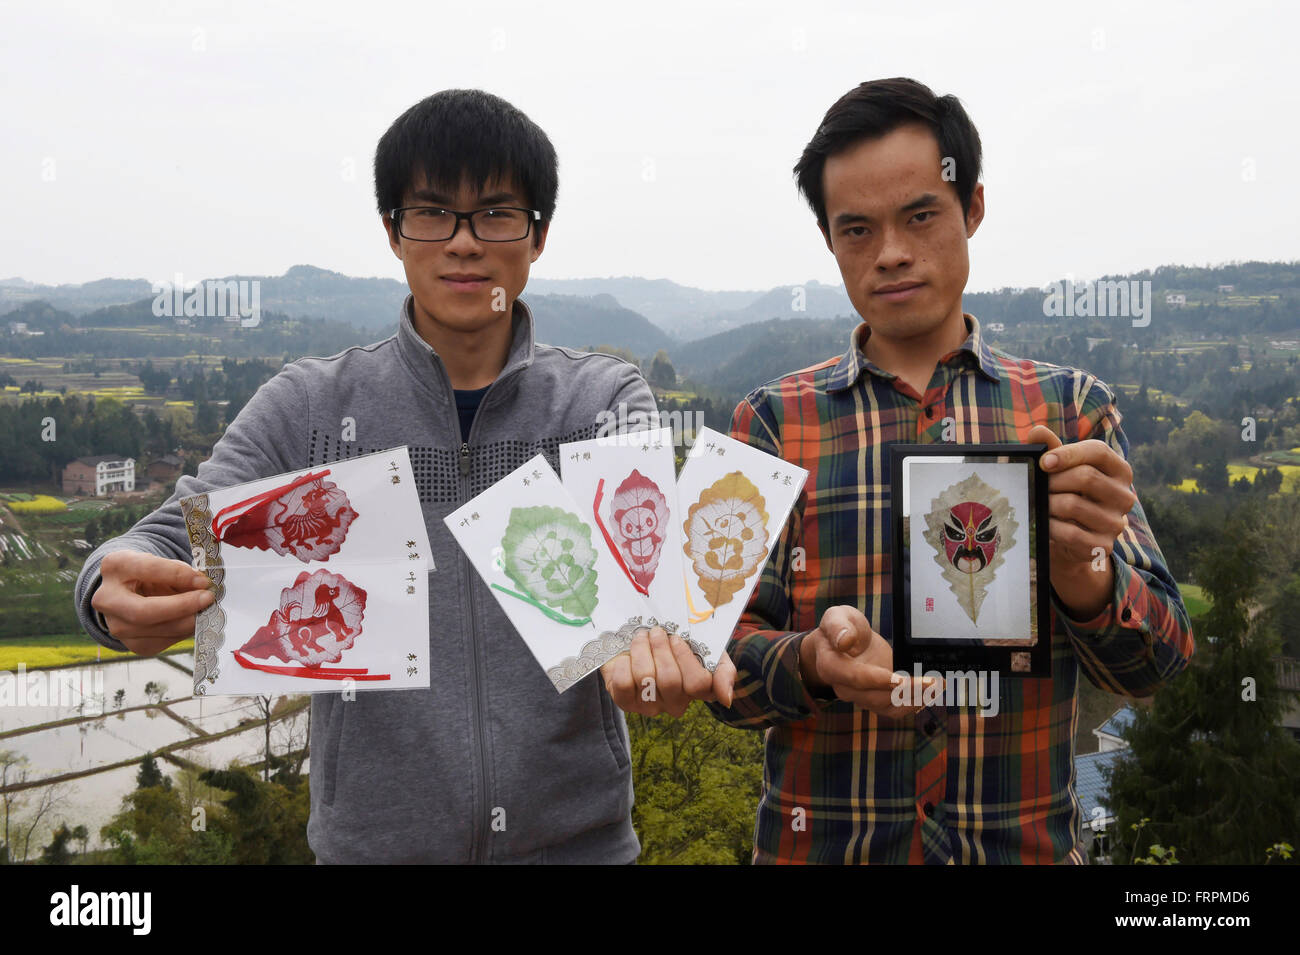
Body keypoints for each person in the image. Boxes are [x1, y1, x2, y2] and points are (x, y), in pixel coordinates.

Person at [75, 89, 730, 864]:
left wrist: (664, 648)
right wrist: (104, 586)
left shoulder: (601, 401)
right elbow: (167, 535)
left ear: (539, 234)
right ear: (392, 230)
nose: (464, 243)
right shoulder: (310, 408)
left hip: (580, 847)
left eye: (496, 214)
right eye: (432, 213)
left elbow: (654, 592)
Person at [705, 77, 1194, 864]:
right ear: (829, 239)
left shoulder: (1073, 411)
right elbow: (714, 658)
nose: (891, 252)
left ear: (972, 208)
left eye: (921, 215)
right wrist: (813, 663)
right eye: (856, 228)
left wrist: (1083, 572)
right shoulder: (766, 423)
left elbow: (1157, 661)